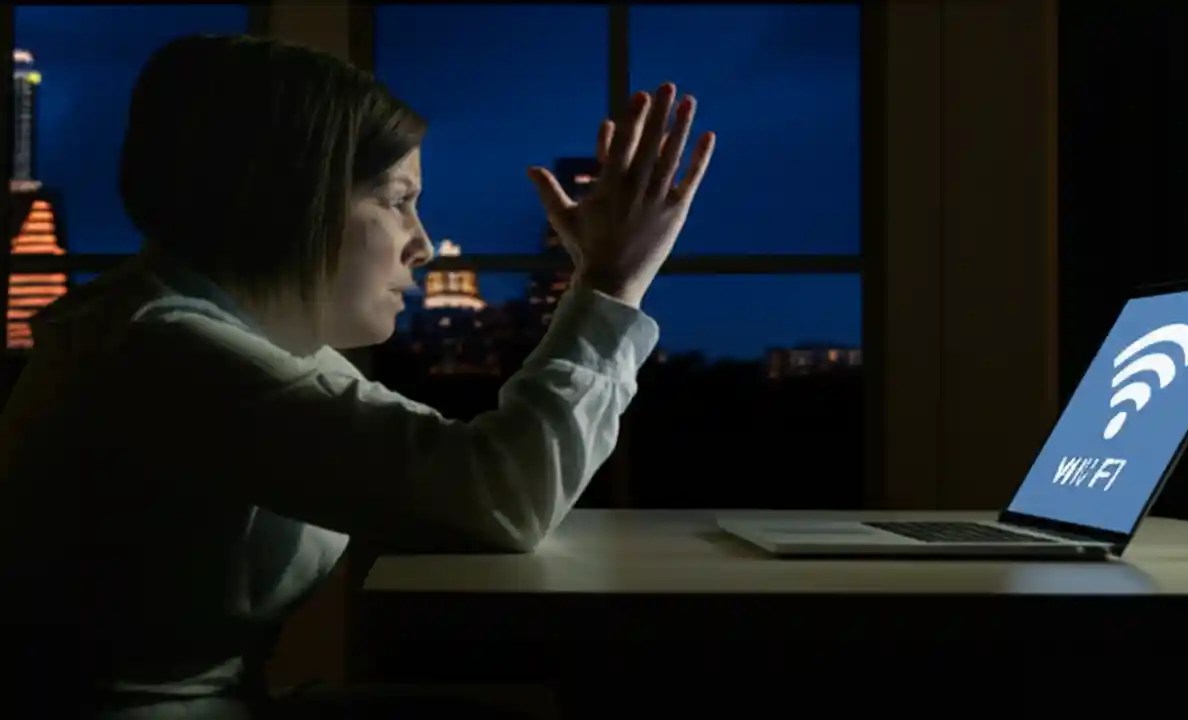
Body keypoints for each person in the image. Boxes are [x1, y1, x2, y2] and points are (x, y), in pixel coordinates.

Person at [0, 33, 714, 719]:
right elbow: (503, 494)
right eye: (398, 199)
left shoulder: (235, 342)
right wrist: (612, 283)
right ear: (293, 198)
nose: (424, 245)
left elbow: (462, 478)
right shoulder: (166, 355)